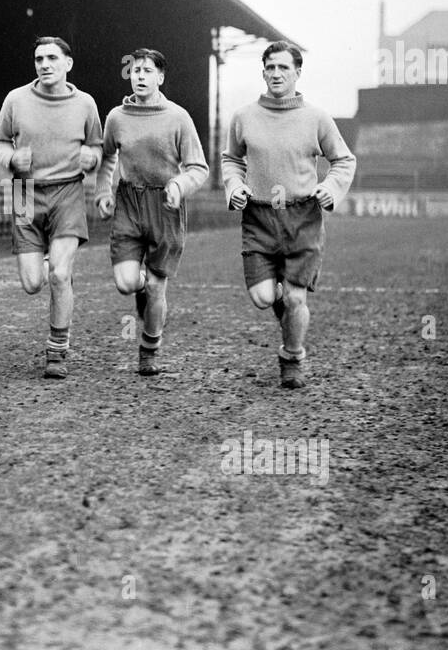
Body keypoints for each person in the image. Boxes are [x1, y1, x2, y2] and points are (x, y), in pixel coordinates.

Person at [221, 40, 356, 389]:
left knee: (296, 297)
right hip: (259, 217)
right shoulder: (244, 117)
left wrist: (332, 188)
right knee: (264, 297)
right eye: (270, 67)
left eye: (283, 67)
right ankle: (290, 317)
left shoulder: (316, 118)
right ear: (263, 72)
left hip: (302, 218)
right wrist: (233, 187)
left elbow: (343, 160)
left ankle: (292, 356)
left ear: (298, 72)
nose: (276, 73)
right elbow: (231, 160)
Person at [0, 35, 103, 380]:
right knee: (32, 283)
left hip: (67, 189)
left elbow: (98, 146)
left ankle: (57, 351)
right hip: (25, 191)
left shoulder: (85, 104)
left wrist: (92, 158)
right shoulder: (16, 99)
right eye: (39, 59)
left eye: (52, 58)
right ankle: (49, 259)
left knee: (58, 274)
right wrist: (11, 157)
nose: (45, 65)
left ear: (67, 64)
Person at [95, 48, 208, 376]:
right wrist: (104, 191)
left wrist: (179, 185)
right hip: (129, 203)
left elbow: (198, 168)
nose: (140, 76)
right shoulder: (117, 117)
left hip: (166, 206)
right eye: (135, 71)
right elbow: (106, 158)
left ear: (160, 77)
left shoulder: (178, 118)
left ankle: (149, 348)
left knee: (158, 287)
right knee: (126, 283)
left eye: (147, 71)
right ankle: (139, 286)